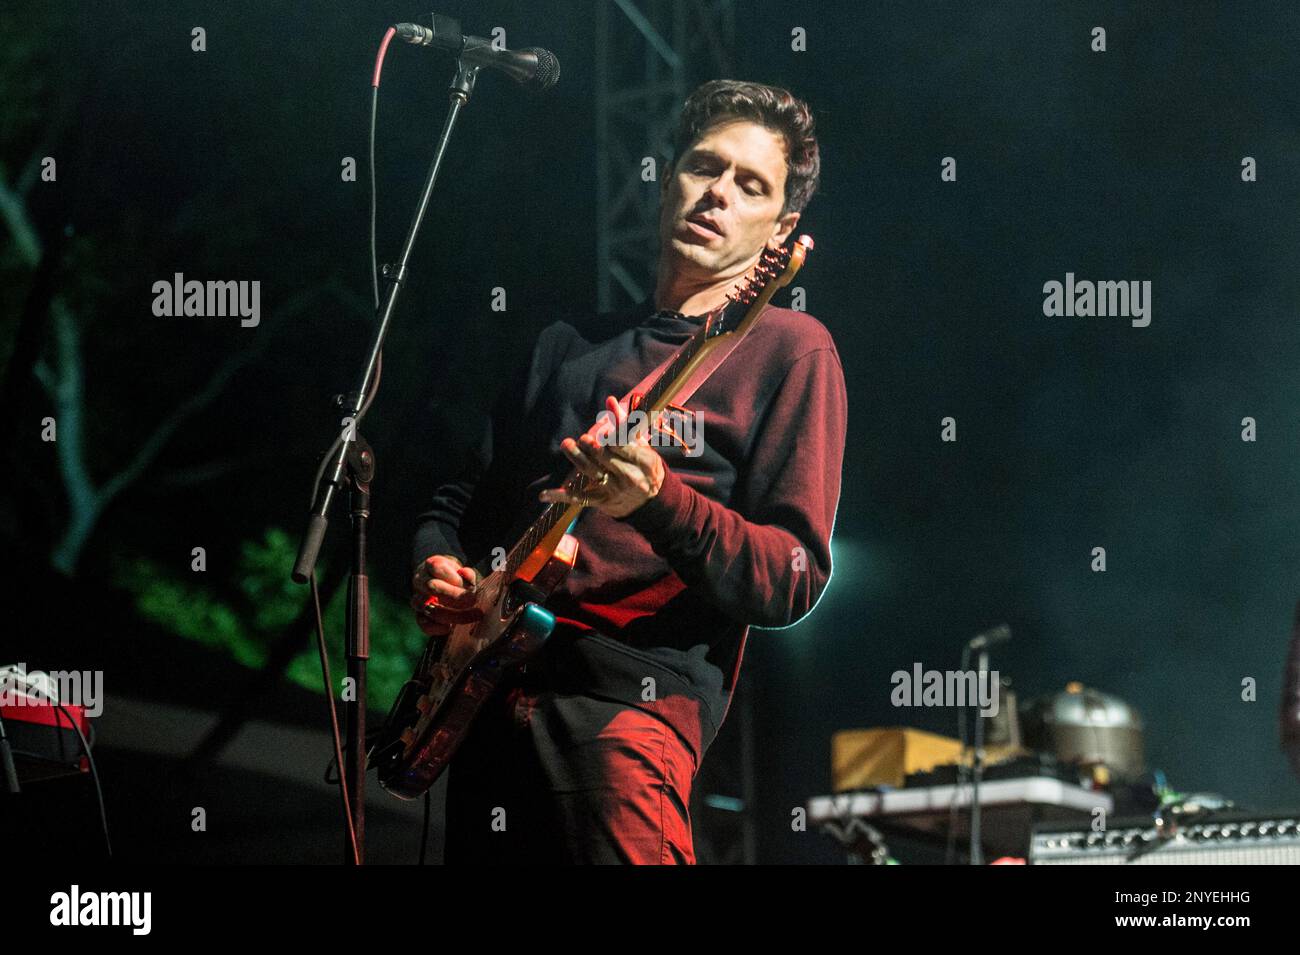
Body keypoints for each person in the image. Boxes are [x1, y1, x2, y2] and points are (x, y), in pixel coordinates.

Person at [410, 79, 847, 863]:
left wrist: (659, 501)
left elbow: (793, 573)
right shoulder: (565, 345)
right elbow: (457, 503)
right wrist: (435, 567)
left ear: (782, 229)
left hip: (627, 716)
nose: (718, 193)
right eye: (704, 166)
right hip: (483, 709)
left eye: (750, 185)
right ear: (667, 177)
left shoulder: (789, 347)